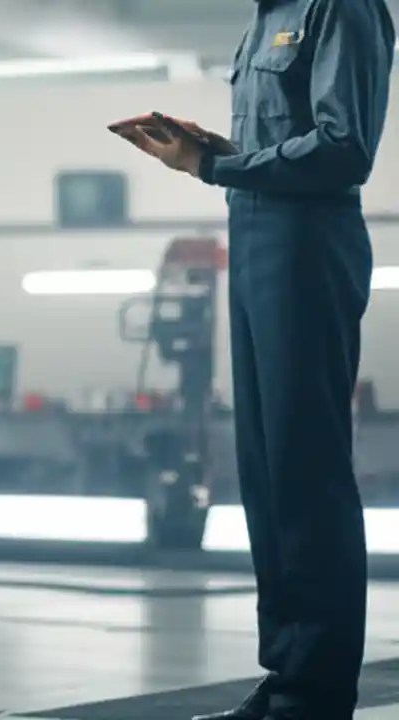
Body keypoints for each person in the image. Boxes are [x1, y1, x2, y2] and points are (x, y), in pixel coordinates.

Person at [111, 0, 395, 718]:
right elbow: (282, 146)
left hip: (308, 244)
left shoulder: (342, 8)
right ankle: (288, 675)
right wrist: (221, 156)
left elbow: (342, 147)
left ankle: (317, 692)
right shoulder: (264, 19)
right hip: (256, 237)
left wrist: (211, 165)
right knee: (267, 473)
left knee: (306, 470)